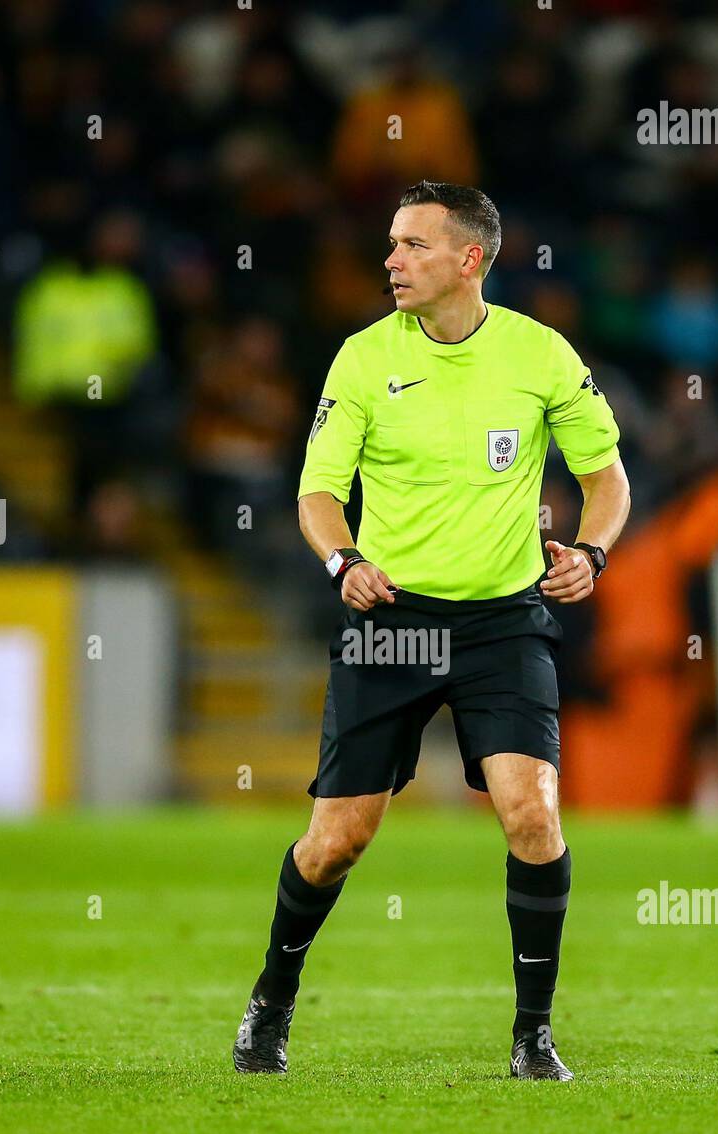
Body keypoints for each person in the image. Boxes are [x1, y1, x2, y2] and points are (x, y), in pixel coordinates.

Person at [233, 181, 631, 1080]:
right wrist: (345, 563)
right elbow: (316, 494)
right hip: (392, 619)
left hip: (502, 623)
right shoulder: (363, 360)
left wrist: (593, 553)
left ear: (469, 259)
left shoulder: (540, 355)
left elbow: (607, 478)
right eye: (391, 244)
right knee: (339, 840)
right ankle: (272, 999)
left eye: (412, 245)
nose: (392, 260)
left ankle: (534, 1036)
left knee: (533, 813)